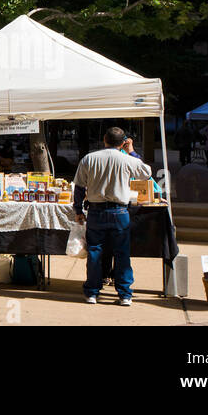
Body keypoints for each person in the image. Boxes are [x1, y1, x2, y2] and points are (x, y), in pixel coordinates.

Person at [73, 127, 152, 306]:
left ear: (104, 139)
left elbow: (79, 187)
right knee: (122, 253)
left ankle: (92, 292)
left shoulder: (89, 158)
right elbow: (146, 173)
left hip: (95, 212)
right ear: (123, 142)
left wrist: (78, 211)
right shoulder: (128, 159)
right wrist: (131, 151)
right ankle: (125, 294)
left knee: (95, 252)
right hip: (119, 212)